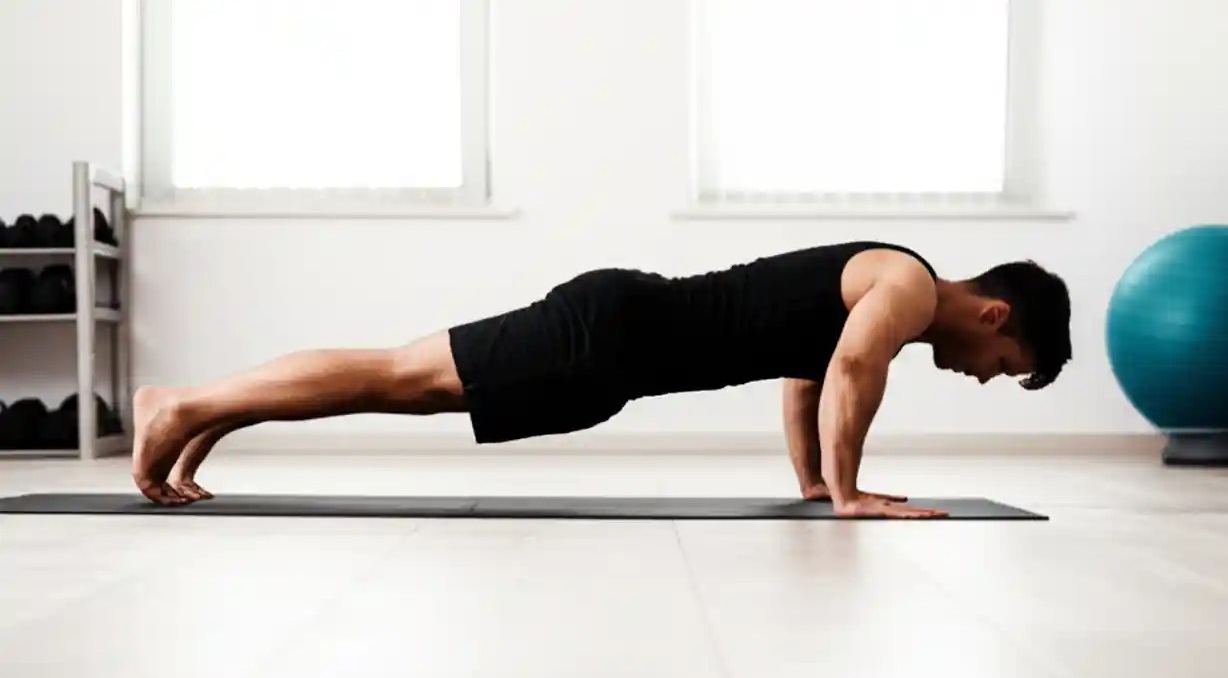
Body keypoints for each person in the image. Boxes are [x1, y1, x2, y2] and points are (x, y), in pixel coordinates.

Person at [130, 241, 1072, 518]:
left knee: (401, 379)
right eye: (1004, 365)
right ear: (997, 315)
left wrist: (817, 484)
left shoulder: (889, 297)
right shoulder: (904, 287)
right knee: (401, 375)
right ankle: (185, 404)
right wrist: (852, 496)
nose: (986, 378)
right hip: (612, 332)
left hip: (618, 352)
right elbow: (853, 369)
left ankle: (210, 412)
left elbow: (808, 377)